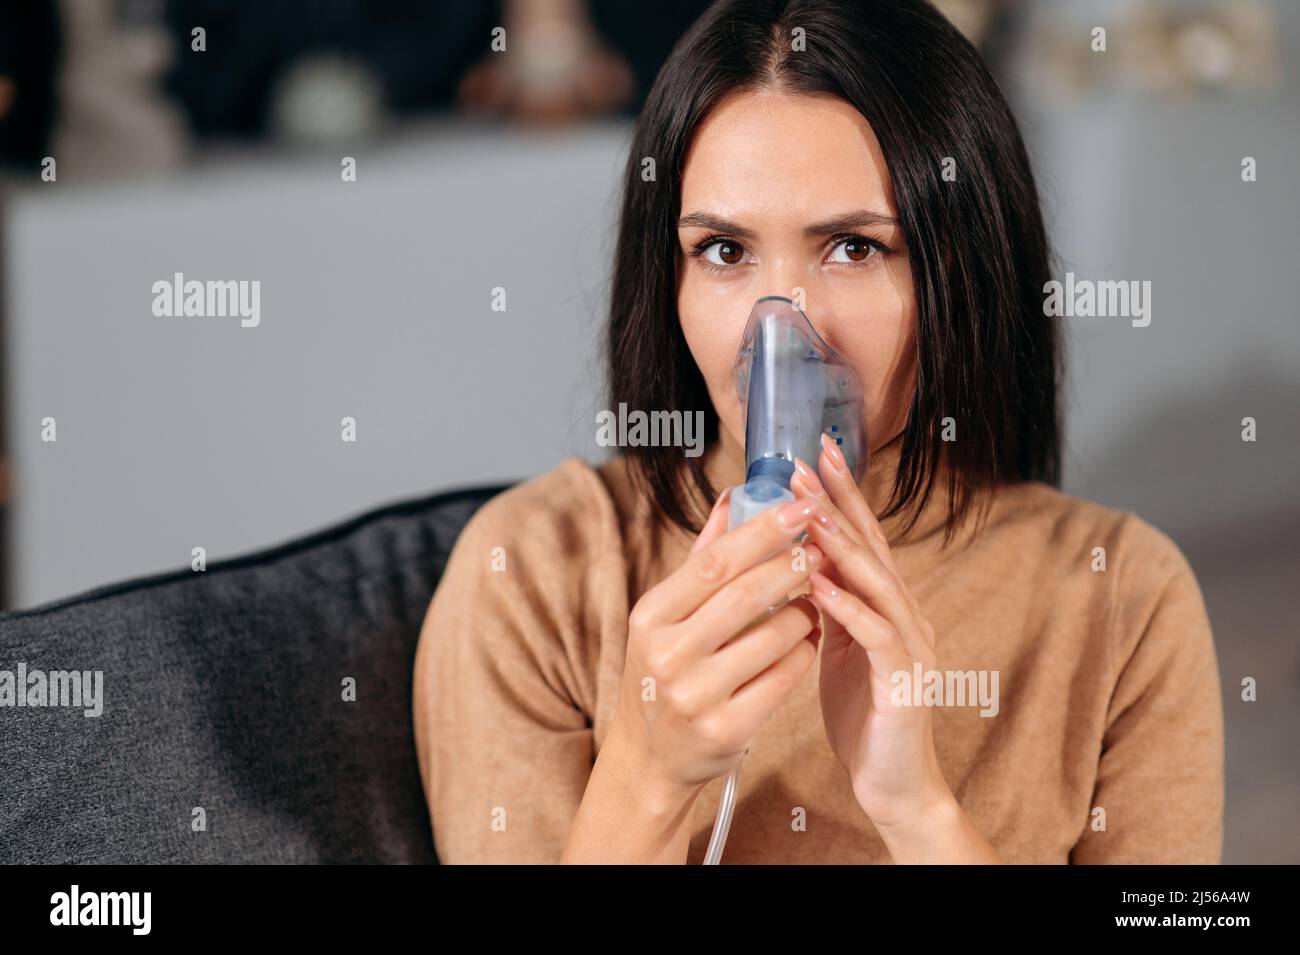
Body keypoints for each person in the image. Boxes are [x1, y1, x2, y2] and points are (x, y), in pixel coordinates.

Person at [412, 0, 1224, 864]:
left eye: (854, 248)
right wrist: (646, 778)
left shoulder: (1121, 598)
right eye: (724, 251)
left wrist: (917, 810)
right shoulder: (534, 575)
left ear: (968, 268)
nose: (782, 328)